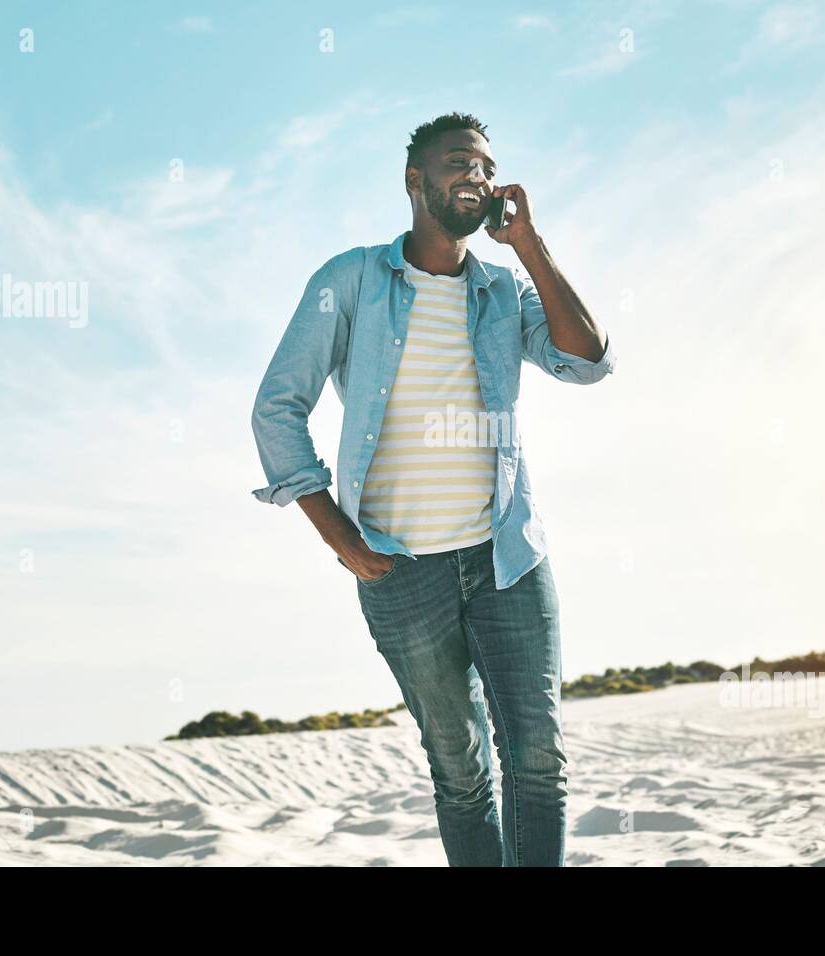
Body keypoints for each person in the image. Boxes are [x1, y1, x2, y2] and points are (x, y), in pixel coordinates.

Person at [250, 112, 616, 866]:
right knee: (460, 772)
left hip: (506, 558)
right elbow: (277, 407)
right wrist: (338, 536)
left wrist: (530, 246)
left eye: (486, 167)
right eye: (459, 164)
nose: (477, 178)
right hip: (399, 567)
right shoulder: (349, 280)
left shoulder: (502, 288)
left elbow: (585, 360)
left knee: (539, 762)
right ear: (414, 180)